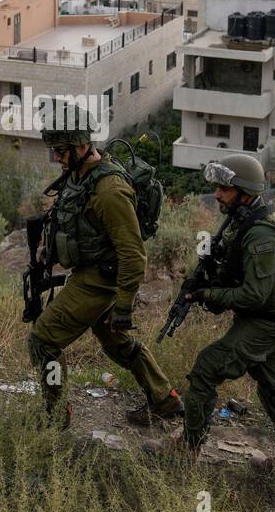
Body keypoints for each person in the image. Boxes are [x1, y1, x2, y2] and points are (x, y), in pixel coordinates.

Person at [29, 106, 181, 430]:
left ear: (82, 145)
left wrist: (124, 305)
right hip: (90, 273)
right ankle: (164, 400)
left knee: (43, 339)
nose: (57, 157)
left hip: (99, 280)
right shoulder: (79, 176)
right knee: (117, 343)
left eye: (61, 150)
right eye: (54, 150)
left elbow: (133, 253)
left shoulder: (109, 191)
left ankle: (56, 414)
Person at [148, 155, 275, 464]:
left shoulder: (261, 235)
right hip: (269, 318)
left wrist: (209, 294)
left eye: (224, 189)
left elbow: (253, 295)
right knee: (273, 388)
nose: (217, 195)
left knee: (206, 369)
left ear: (244, 191)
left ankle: (188, 449)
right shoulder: (245, 219)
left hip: (264, 321)